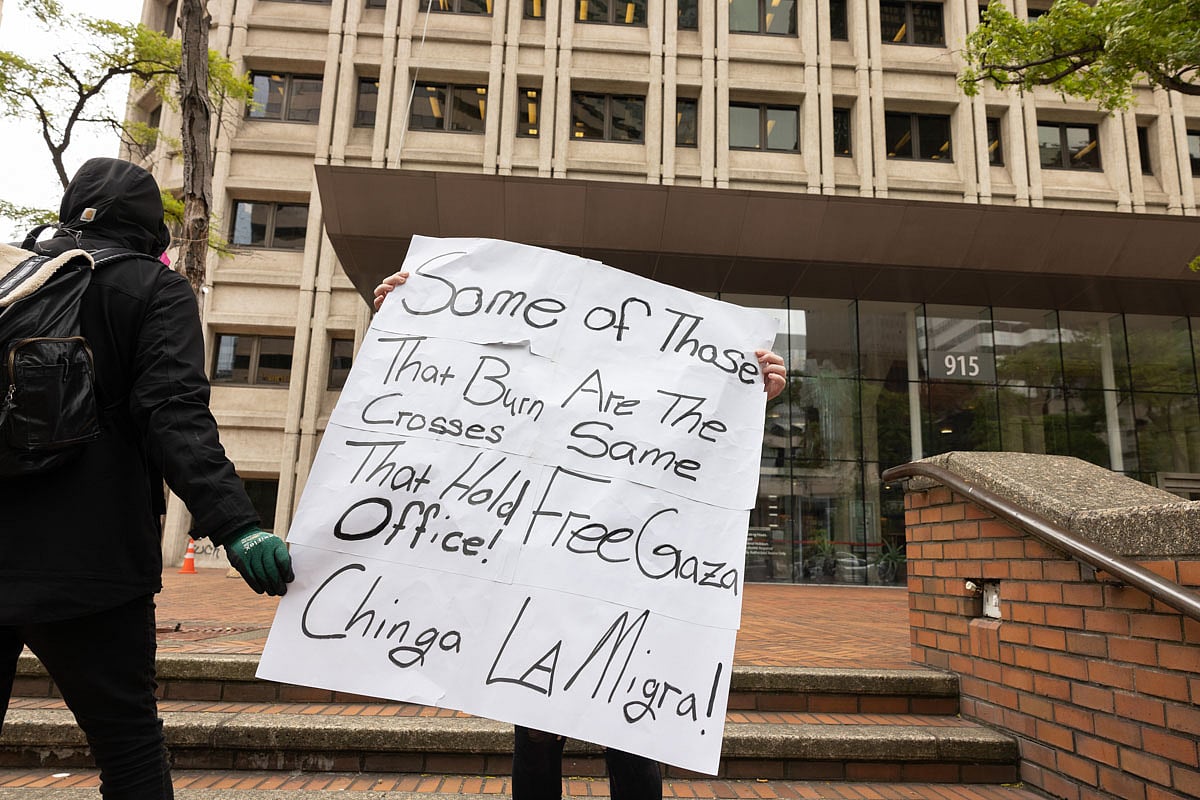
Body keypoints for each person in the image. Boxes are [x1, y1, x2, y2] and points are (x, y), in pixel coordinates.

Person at [373, 269, 787, 800]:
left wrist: (747, 400)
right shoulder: (539, 387)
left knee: (632, 739)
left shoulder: (657, 411)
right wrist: (412, 316)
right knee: (538, 733)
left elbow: (702, 447)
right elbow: (459, 401)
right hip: (541, 578)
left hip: (633, 582)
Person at [0, 158, 294, 799]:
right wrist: (238, 526)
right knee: (127, 746)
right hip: (91, 562)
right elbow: (173, 414)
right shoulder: (151, 288)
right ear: (148, 227)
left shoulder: (10, 277)